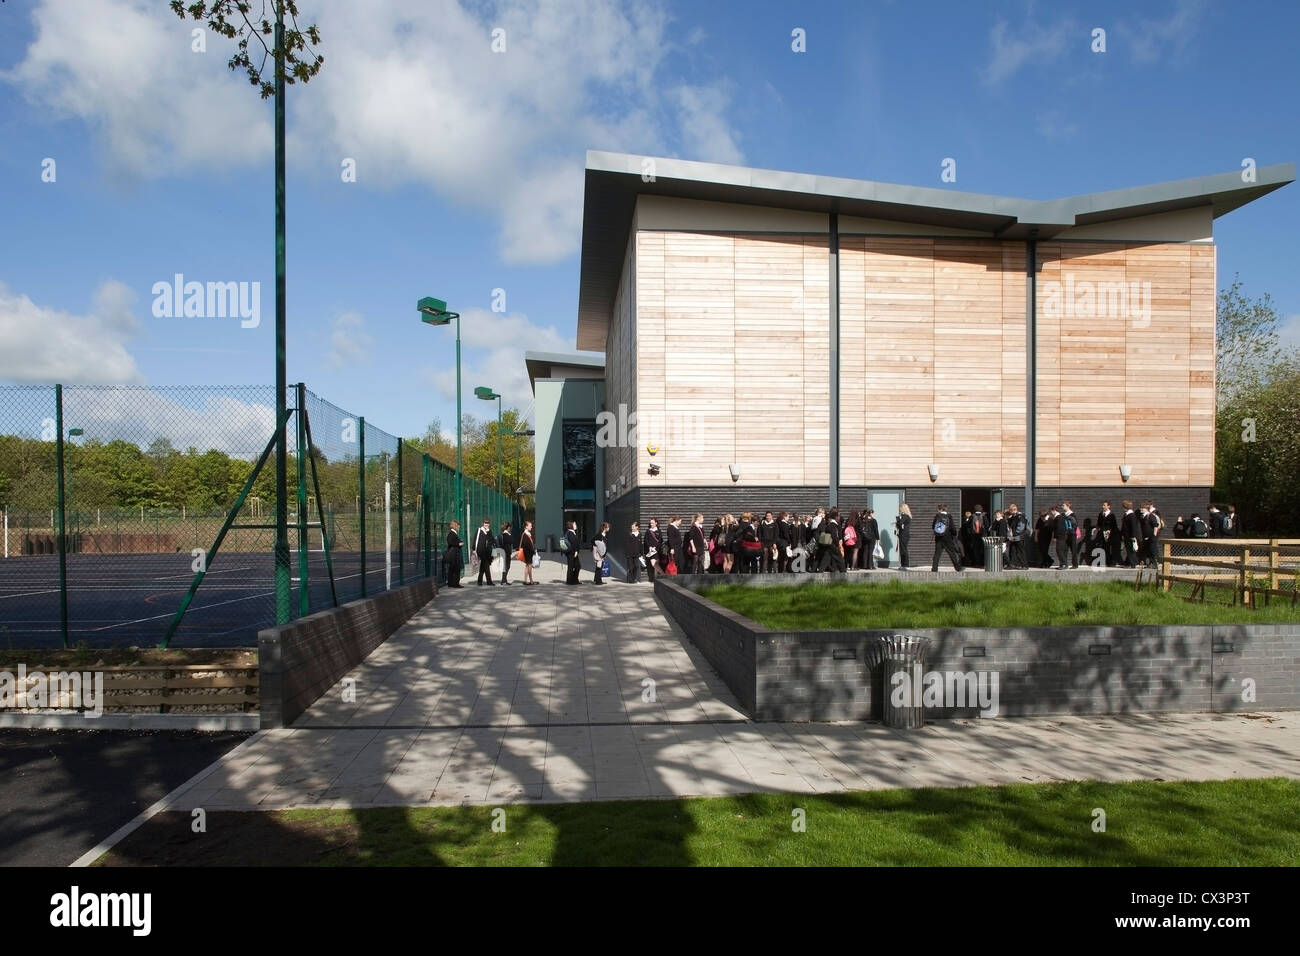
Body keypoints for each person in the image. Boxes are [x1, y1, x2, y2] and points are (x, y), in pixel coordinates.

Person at [931, 505, 963, 571]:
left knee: (937, 554)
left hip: (938, 537)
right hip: (947, 538)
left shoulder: (937, 516)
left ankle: (934, 568)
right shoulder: (949, 516)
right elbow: (953, 528)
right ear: (945, 509)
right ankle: (958, 568)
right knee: (952, 553)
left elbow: (933, 526)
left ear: (940, 509)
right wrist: (954, 534)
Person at [817, 508, 846, 572]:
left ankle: (820, 571)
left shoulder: (831, 524)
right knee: (840, 558)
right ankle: (843, 572)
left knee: (826, 558)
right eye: (838, 516)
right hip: (833, 545)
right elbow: (834, 536)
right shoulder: (833, 525)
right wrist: (838, 543)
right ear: (836, 517)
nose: (839, 517)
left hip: (830, 545)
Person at [1054, 501, 1079, 569]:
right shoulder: (1063, 514)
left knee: (1073, 550)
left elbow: (1075, 525)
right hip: (1065, 535)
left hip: (1072, 534)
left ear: (1068, 506)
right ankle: (1064, 564)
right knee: (1064, 549)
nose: (1062, 507)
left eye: (1063, 505)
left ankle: (1075, 565)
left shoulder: (1072, 514)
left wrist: (1071, 531)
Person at [1004, 503, 1028, 569]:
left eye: (1011, 510)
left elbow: (1021, 527)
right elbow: (1011, 525)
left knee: (1020, 551)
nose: (1011, 512)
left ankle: (1024, 565)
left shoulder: (1020, 516)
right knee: (1013, 550)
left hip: (1019, 537)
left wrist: (1015, 533)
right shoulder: (1014, 517)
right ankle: (1013, 564)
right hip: (1015, 537)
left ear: (1014, 509)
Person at [1097, 500, 1120, 567]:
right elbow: (1099, 523)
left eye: (1104, 505)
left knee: (1108, 548)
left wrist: (1110, 530)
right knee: (1102, 547)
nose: (1103, 506)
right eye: (1103, 505)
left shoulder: (1112, 515)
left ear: (1108, 506)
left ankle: (1110, 562)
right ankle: (1103, 561)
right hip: (1102, 533)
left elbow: (1114, 525)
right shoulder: (1101, 514)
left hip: (1109, 534)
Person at [474, 517, 496, 586]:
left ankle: (479, 581)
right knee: (486, 566)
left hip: (487, 552)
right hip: (481, 551)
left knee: (483, 567)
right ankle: (489, 581)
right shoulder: (479, 530)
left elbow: (492, 540)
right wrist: (474, 549)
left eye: (487, 523)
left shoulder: (489, 531)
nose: (486, 524)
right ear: (483, 523)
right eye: (485, 523)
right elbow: (475, 540)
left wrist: (488, 532)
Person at [1121, 500, 1143, 568]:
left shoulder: (1132, 515)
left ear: (1125, 507)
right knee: (1129, 549)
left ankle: (1133, 563)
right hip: (1126, 535)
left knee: (1131, 550)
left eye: (1123, 507)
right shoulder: (1126, 514)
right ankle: (1130, 563)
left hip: (1130, 536)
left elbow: (1133, 527)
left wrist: (1133, 536)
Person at [444, 519, 464, 588]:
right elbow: (450, 542)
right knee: (455, 569)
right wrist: (459, 544)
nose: (459, 527)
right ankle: (455, 583)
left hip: (455, 553)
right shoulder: (452, 533)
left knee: (452, 569)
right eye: (458, 526)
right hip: (454, 554)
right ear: (455, 526)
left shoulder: (454, 533)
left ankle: (451, 583)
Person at [643, 518, 662, 582]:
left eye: (652, 523)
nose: (651, 524)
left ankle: (658, 577)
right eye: (650, 523)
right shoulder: (648, 531)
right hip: (650, 550)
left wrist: (656, 548)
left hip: (657, 550)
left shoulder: (659, 531)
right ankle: (661, 576)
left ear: (656, 523)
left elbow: (660, 541)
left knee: (655, 564)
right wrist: (650, 547)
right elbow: (646, 540)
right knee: (654, 564)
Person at [895, 503, 912, 570]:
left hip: (903, 535)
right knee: (903, 549)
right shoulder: (908, 516)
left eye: (900, 508)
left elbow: (900, 523)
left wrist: (898, 519)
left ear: (903, 508)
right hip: (905, 534)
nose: (899, 509)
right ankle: (904, 565)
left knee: (903, 550)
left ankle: (905, 565)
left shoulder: (905, 516)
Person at [564, 519, 581, 584]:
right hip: (572, 553)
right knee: (573, 566)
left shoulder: (571, 532)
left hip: (572, 552)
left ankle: (574, 580)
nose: (576, 525)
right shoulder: (570, 533)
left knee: (576, 566)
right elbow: (573, 543)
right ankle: (570, 581)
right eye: (575, 524)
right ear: (571, 525)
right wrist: (576, 551)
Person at [520, 520, 537, 585]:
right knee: (529, 566)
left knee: (527, 566)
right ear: (526, 527)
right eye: (530, 526)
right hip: (528, 553)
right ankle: (531, 580)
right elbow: (527, 545)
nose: (531, 527)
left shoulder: (527, 534)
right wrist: (533, 550)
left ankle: (525, 580)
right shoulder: (525, 534)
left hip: (528, 552)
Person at [498, 521, 514, 585]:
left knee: (506, 566)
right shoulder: (506, 535)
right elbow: (512, 540)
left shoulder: (503, 534)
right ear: (508, 528)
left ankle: (504, 580)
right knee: (507, 566)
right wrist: (510, 535)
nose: (510, 528)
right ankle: (503, 580)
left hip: (504, 552)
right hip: (506, 553)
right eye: (509, 527)